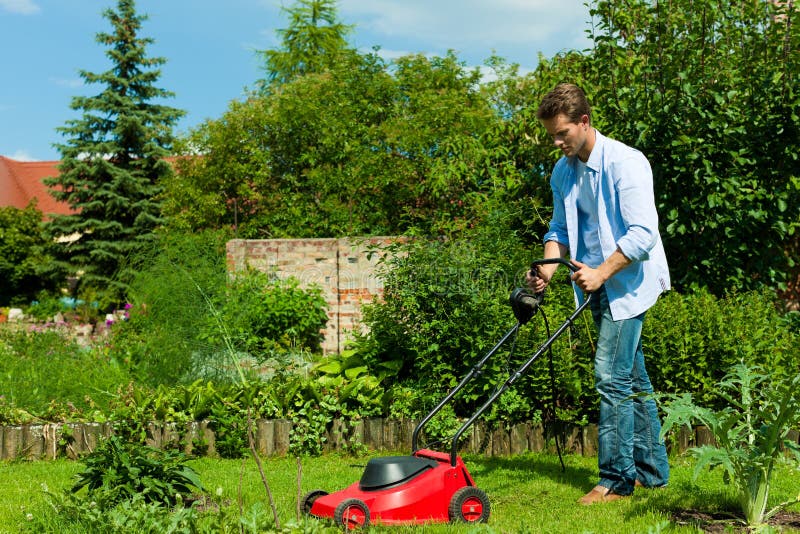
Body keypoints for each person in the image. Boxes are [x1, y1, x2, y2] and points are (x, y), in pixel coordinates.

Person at [526, 83, 671, 505]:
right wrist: (548, 268)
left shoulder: (627, 163)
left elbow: (644, 234)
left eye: (561, 134)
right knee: (632, 378)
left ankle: (615, 480)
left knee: (610, 376)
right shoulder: (562, 171)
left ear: (584, 122)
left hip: (628, 282)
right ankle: (652, 471)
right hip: (592, 282)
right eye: (552, 135)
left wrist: (603, 272)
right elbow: (559, 230)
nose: (556, 142)